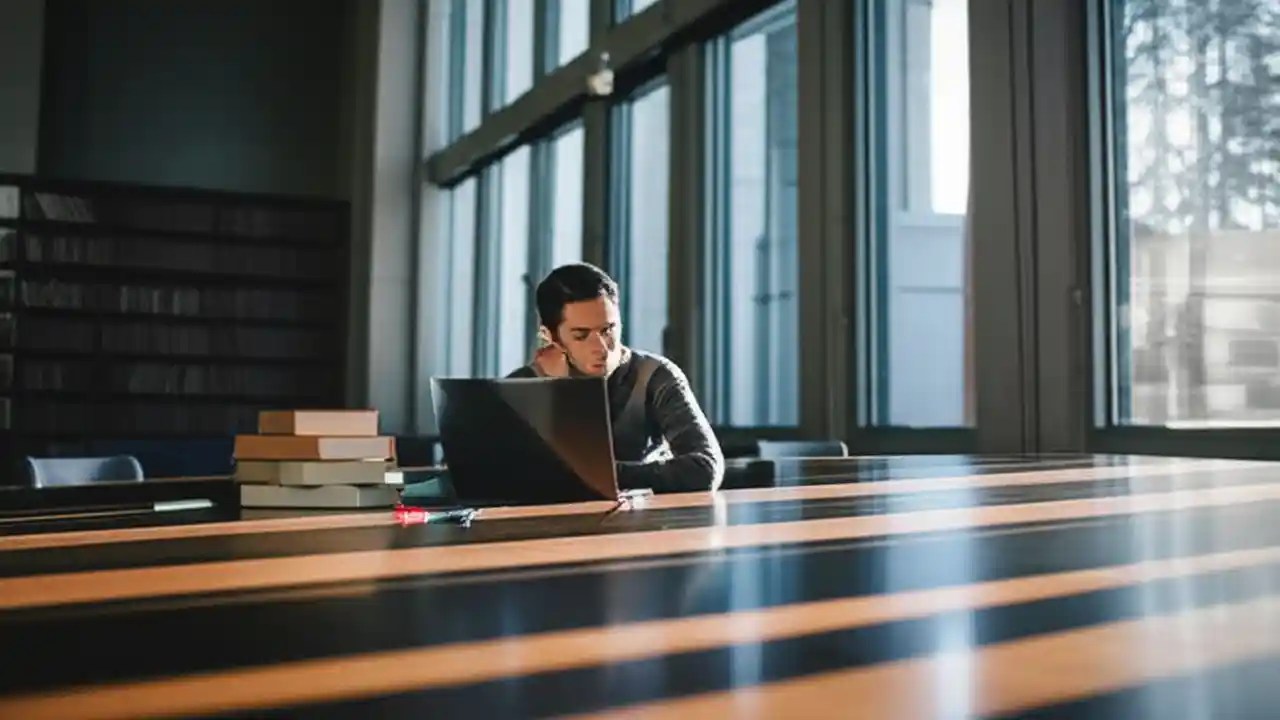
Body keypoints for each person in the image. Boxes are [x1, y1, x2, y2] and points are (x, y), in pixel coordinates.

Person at [507, 263, 724, 493]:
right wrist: (558, 389)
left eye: (608, 330)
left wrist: (589, 475)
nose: (601, 348)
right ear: (550, 337)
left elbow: (705, 468)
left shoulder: (655, 376)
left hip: (640, 520)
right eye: (581, 336)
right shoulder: (521, 387)